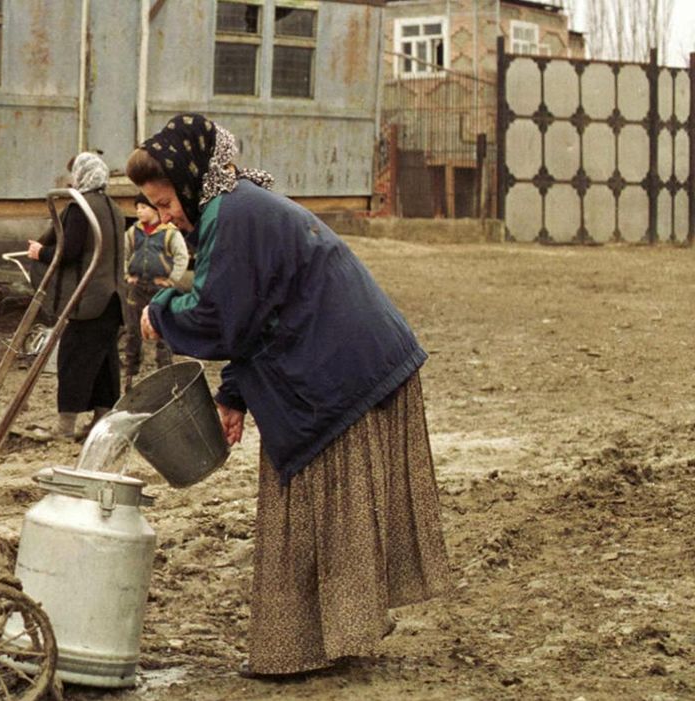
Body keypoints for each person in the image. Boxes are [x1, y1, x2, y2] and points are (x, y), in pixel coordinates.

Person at [126, 113, 450, 676]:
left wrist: (159, 313)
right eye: (155, 205)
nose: (166, 215)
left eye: (167, 201)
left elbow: (219, 316)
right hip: (334, 359)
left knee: (323, 497)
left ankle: (321, 646)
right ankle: (317, 640)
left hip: (345, 367)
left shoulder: (234, 212)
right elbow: (255, 310)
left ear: (190, 176)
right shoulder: (232, 207)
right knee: (307, 499)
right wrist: (232, 395)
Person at [26, 152, 125, 440]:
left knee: (73, 358)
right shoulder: (114, 208)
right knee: (105, 359)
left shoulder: (81, 208)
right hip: (114, 299)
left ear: (82, 175)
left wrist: (39, 252)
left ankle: (64, 428)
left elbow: (68, 252)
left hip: (89, 299)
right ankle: (101, 421)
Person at [121, 193, 188, 391]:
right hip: (137, 287)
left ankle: (166, 376)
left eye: (143, 207)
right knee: (132, 331)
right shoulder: (133, 232)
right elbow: (124, 254)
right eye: (137, 208)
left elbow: (181, 256)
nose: (139, 211)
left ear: (155, 209)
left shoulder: (170, 233)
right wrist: (127, 275)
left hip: (160, 289)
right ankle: (130, 376)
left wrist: (172, 280)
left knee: (163, 331)